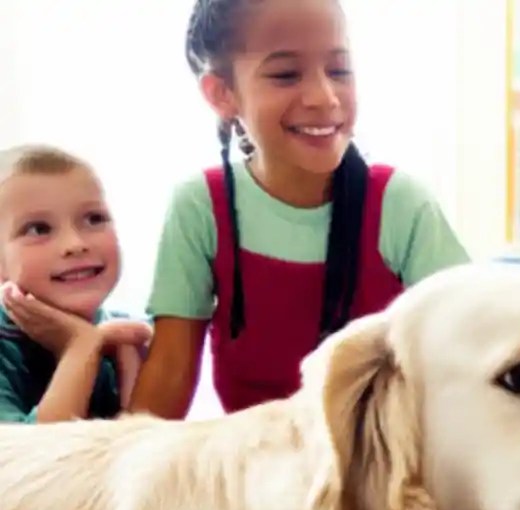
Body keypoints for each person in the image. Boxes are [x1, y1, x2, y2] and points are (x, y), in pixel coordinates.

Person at [130, 0, 470, 419]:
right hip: (253, 467)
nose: (323, 97)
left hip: (382, 470)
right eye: (286, 74)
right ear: (221, 93)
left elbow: (467, 359)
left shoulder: (401, 204)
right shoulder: (199, 206)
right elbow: (170, 374)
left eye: (339, 70)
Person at [0, 145, 152, 424]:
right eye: (38, 229)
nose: (75, 244)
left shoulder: (132, 333)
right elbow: (30, 456)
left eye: (94, 219)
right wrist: (81, 346)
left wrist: (129, 359)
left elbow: (146, 447)